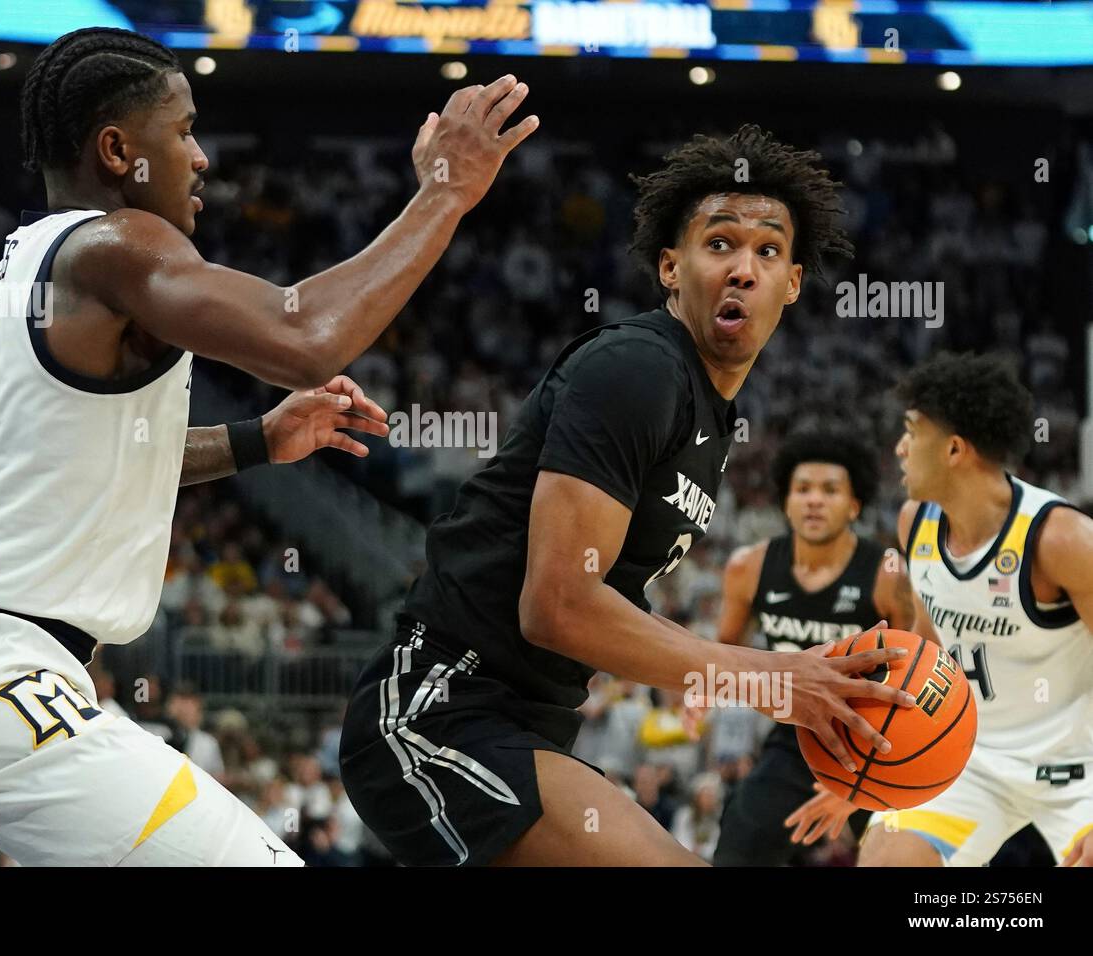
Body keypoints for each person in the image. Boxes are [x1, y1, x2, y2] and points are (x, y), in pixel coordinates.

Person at [0, 26, 536, 867]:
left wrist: (256, 440)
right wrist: (444, 193)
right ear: (117, 148)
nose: (201, 157)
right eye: (185, 130)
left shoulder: (23, 261)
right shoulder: (119, 244)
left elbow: (94, 457)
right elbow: (308, 333)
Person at [339, 125, 917, 866]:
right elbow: (557, 606)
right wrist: (771, 677)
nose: (743, 268)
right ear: (671, 268)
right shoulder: (638, 368)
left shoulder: (711, 414)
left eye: (767, 251)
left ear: (794, 283)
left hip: (529, 726)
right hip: (436, 715)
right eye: (720, 244)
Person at [785, 354, 1093, 867]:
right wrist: (865, 774)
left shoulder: (1063, 540)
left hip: (1080, 770)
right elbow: (924, 651)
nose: (899, 448)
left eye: (911, 432)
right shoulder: (915, 524)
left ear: (953, 449)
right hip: (967, 760)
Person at [710, 427, 935, 865]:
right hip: (798, 738)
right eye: (803, 489)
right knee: (740, 839)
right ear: (785, 500)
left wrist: (863, 786)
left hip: (882, 740)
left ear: (854, 505)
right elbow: (727, 658)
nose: (814, 499)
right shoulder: (747, 568)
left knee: (898, 855)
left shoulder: (888, 574)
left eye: (830, 490)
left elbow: (920, 676)